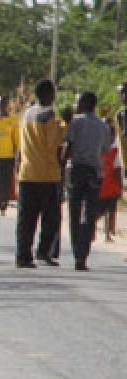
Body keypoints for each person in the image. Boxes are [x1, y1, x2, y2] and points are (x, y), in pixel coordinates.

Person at [16, 79, 65, 268]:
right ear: (47, 94)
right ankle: (43, 251)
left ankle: (22, 255)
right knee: (51, 217)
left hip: (27, 173)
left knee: (26, 219)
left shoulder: (26, 113)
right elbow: (52, 143)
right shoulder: (48, 114)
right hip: (47, 174)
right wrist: (63, 126)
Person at [62, 91, 112, 271]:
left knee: (74, 212)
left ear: (83, 104)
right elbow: (105, 149)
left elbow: (68, 146)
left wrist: (60, 166)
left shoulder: (76, 122)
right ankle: (83, 255)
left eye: (77, 102)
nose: (75, 105)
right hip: (94, 172)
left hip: (77, 170)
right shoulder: (102, 126)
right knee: (89, 214)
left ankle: (77, 253)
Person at [101, 102, 124, 240]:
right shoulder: (115, 149)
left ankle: (108, 232)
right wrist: (120, 184)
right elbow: (117, 169)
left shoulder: (102, 148)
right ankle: (108, 232)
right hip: (109, 185)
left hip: (104, 185)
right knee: (110, 209)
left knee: (107, 209)